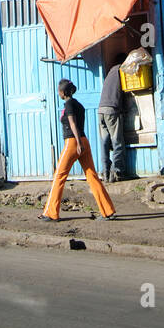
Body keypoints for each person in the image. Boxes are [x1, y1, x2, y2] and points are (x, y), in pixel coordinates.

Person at [41, 79, 117, 222]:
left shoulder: (69, 104)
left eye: (59, 91)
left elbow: (72, 123)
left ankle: (51, 213)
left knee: (59, 176)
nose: (58, 93)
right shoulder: (79, 105)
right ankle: (108, 211)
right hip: (84, 141)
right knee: (92, 176)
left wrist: (76, 142)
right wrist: (81, 142)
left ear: (63, 92)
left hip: (73, 142)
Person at [98, 52, 134, 182]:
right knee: (117, 140)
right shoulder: (121, 70)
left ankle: (105, 172)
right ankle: (118, 172)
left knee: (104, 143)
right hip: (112, 110)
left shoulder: (110, 72)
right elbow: (125, 91)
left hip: (101, 110)